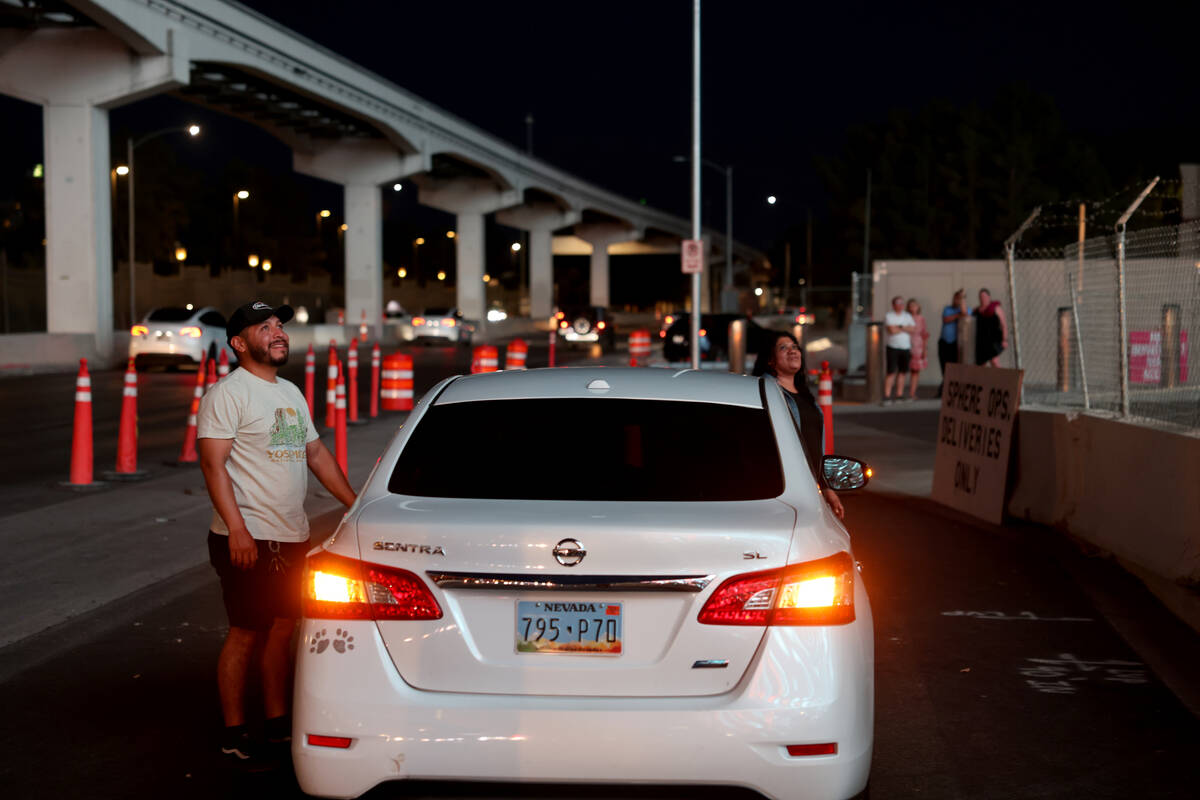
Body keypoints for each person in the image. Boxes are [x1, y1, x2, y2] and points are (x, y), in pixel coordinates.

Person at [197, 301, 357, 768]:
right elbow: (212, 464)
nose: (277, 332)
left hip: (291, 535)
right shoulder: (228, 394)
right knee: (247, 632)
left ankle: (276, 722)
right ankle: (233, 729)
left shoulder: (289, 392)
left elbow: (316, 455)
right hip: (247, 535)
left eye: (280, 325)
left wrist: (357, 505)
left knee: (283, 630)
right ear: (240, 344)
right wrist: (238, 530)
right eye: (264, 327)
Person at [752, 331, 845, 519]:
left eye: (795, 347)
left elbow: (815, 447)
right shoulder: (764, 391)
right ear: (771, 360)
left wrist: (826, 488)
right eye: (783, 348)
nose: (792, 351)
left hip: (810, 488)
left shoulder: (805, 397)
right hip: (784, 488)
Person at [883, 295, 915, 403]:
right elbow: (891, 330)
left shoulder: (907, 316)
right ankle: (887, 395)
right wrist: (904, 328)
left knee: (902, 372)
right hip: (893, 347)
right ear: (893, 305)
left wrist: (899, 327)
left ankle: (899, 394)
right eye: (898, 303)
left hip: (905, 347)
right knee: (891, 371)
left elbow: (913, 329)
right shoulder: (889, 316)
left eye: (902, 303)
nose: (900, 305)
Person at [938, 289, 969, 395]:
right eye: (957, 298)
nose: (958, 300)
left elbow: (965, 314)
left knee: (955, 367)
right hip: (945, 342)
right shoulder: (947, 309)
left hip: (957, 344)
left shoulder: (967, 309)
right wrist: (958, 315)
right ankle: (944, 388)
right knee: (945, 366)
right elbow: (946, 319)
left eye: (960, 299)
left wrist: (962, 300)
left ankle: (951, 389)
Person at [974, 288, 1009, 367]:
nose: (983, 299)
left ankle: (1000, 378)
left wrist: (1005, 339)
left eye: (985, 297)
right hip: (981, 342)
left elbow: (1003, 324)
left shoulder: (996, 308)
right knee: (981, 364)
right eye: (981, 297)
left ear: (989, 297)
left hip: (993, 340)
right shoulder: (977, 310)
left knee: (994, 361)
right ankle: (983, 379)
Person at [906, 298, 929, 400]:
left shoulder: (921, 318)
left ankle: (912, 393)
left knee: (916, 371)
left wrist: (924, 349)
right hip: (907, 344)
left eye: (915, 305)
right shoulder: (906, 318)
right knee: (904, 369)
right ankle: (899, 393)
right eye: (911, 306)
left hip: (918, 346)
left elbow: (924, 334)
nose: (913, 308)